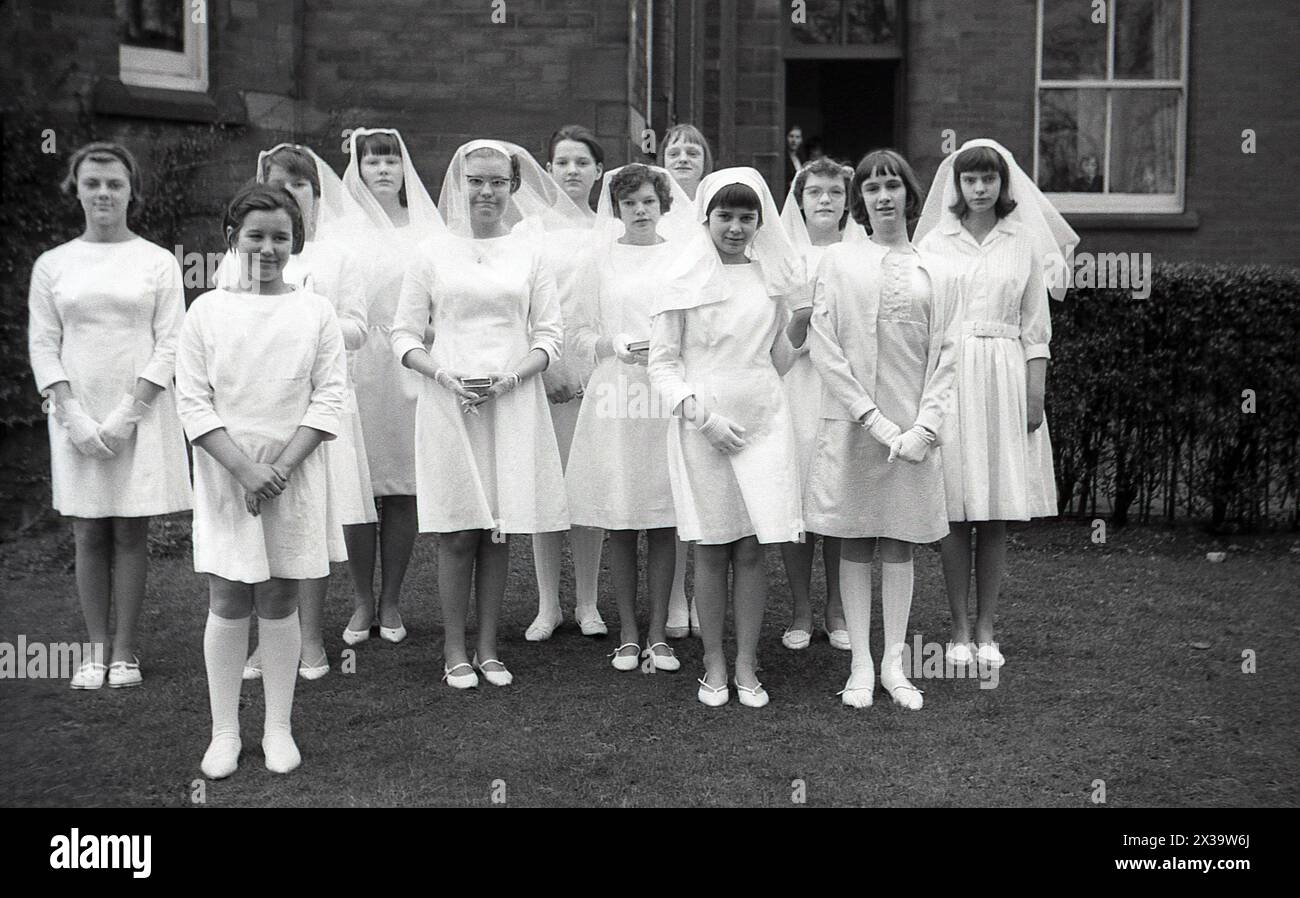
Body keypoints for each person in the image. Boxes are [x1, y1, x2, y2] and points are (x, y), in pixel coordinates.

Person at [393, 139, 578, 689]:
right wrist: (441, 373)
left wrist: (515, 377)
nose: (487, 191)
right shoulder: (431, 251)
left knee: (498, 529)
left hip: (511, 400)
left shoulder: (530, 253)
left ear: (513, 187)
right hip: (449, 401)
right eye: (477, 180)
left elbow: (549, 334)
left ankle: (490, 647)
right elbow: (403, 332)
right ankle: (454, 651)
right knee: (457, 529)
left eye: (499, 181)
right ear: (460, 183)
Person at [176, 183, 347, 777]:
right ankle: (225, 731)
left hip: (293, 473)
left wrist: (279, 468)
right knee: (228, 593)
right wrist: (245, 468)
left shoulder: (314, 310)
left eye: (281, 236)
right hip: (227, 473)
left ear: (295, 242)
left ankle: (278, 727)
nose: (268, 248)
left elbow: (329, 398)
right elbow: (193, 402)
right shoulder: (206, 311)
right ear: (232, 238)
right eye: (256, 236)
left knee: (278, 594)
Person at [28, 141, 192, 690]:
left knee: (129, 529)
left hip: (137, 412)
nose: (103, 193)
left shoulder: (157, 261)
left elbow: (171, 342)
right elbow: (44, 344)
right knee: (87, 531)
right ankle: (94, 650)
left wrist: (128, 413)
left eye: (114, 184)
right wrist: (71, 414)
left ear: (131, 192)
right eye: (92, 182)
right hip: (74, 414)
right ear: (75, 188)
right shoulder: (53, 264)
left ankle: (125, 651)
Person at [805, 149, 960, 711]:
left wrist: (923, 428)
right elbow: (823, 346)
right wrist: (869, 417)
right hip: (855, 422)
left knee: (899, 539)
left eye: (892, 185)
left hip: (913, 430)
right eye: (871, 187)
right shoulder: (838, 263)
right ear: (860, 200)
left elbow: (948, 353)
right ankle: (860, 667)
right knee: (854, 536)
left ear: (910, 194)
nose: (883, 196)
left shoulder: (939, 269)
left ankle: (895, 663)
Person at [915, 138, 1078, 671]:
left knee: (996, 513)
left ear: (1004, 184)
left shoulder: (1023, 239)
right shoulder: (936, 241)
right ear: (956, 185)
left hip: (1005, 376)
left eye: (989, 179)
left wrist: (1036, 394)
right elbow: (923, 324)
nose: (979, 189)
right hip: (951, 378)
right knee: (957, 509)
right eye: (970, 179)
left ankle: (987, 627)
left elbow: (1037, 326)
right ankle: (958, 628)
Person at [648, 167, 803, 708]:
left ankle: (745, 662)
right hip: (703, 426)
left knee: (756, 547)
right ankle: (713, 660)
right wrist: (701, 417)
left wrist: (800, 329)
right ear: (707, 219)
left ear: (760, 221)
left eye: (746, 217)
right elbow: (663, 364)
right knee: (713, 547)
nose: (736, 227)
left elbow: (777, 360)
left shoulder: (772, 279)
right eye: (725, 216)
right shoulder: (681, 278)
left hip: (765, 420)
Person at [230, 144, 375, 682]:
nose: (289, 194)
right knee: (260, 524)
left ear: (315, 193)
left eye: (300, 186)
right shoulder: (242, 256)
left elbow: (360, 328)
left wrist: (309, 325)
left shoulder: (339, 256)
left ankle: (310, 638)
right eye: (277, 183)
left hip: (318, 408)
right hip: (258, 406)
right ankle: (265, 641)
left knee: (310, 523)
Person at [565, 163, 695, 672]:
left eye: (648, 202)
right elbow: (576, 334)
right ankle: (627, 631)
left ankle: (660, 632)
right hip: (615, 395)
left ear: (663, 205)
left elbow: (697, 322)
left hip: (664, 393)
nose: (640, 211)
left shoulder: (683, 258)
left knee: (663, 516)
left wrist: (668, 351)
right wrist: (613, 343)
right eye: (630, 204)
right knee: (620, 516)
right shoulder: (597, 261)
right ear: (616, 210)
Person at [341, 128, 445, 646]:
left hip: (408, 360)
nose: (382, 169)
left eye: (390, 161)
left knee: (402, 487)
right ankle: (361, 599)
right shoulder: (343, 228)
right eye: (371, 160)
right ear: (357, 167)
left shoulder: (426, 230)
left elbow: (442, 297)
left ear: (405, 168)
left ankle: (392, 599)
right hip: (358, 362)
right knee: (361, 487)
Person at [776, 158, 866, 652]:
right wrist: (802, 326)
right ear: (800, 199)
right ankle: (800, 609)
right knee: (798, 498)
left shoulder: (861, 255)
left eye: (835, 191)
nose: (826, 200)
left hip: (844, 390)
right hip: (797, 389)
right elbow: (775, 345)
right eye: (815, 192)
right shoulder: (785, 259)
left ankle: (837, 606)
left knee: (837, 498)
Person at [527, 124, 608, 641]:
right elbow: (525, 303)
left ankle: (588, 602)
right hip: (546, 372)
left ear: (599, 171)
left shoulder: (611, 229)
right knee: (544, 490)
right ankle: (547, 604)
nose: (572, 170)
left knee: (590, 488)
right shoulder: (530, 230)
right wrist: (549, 366)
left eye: (582, 162)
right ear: (549, 169)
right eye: (562, 162)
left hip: (600, 375)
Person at [655, 122, 716, 637]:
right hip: (669, 366)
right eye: (674, 149)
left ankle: (703, 594)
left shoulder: (717, 212)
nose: (682, 157)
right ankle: (675, 598)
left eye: (692, 150)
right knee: (670, 491)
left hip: (716, 363)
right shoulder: (659, 215)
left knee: (708, 492)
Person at [784, 124, 807, 193]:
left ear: (801, 140)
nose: (794, 140)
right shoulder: (783, 158)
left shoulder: (802, 158)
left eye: (797, 137)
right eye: (791, 136)